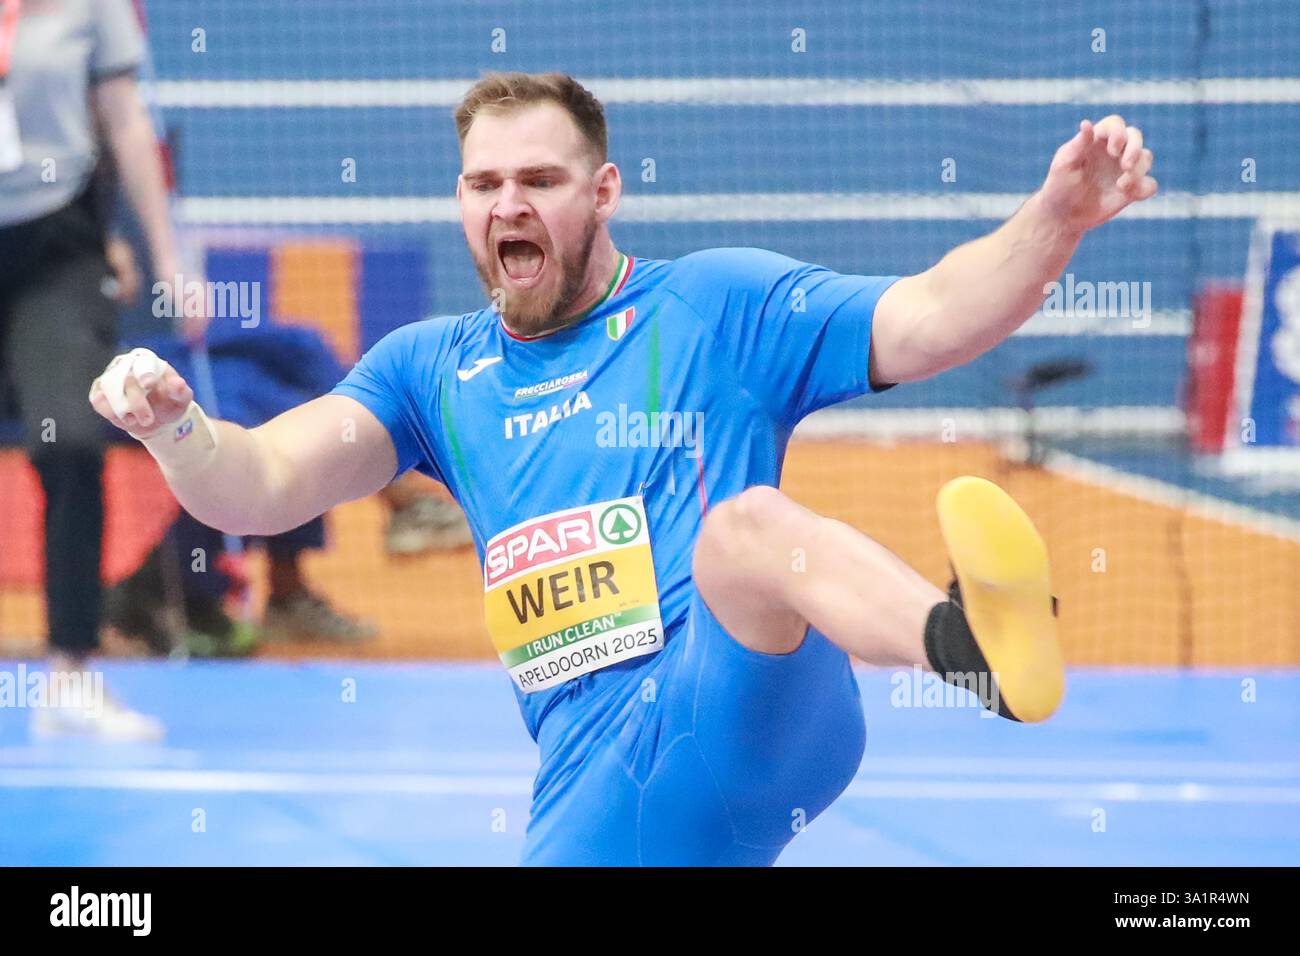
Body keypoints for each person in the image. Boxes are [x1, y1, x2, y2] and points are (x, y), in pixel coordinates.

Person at [89, 73, 1158, 863]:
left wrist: (1055, 216)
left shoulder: (718, 304)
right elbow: (264, 484)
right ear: (459, 199)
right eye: (483, 182)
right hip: (609, 791)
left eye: (539, 180)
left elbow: (928, 316)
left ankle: (971, 646)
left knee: (744, 531)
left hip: (747, 700)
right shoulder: (430, 370)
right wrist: (177, 429)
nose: (508, 203)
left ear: (601, 191)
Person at [1, 0, 202, 739]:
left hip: (58, 244)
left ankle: (71, 674)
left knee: (72, 442)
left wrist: (171, 258)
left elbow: (124, 121)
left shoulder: (92, 7)